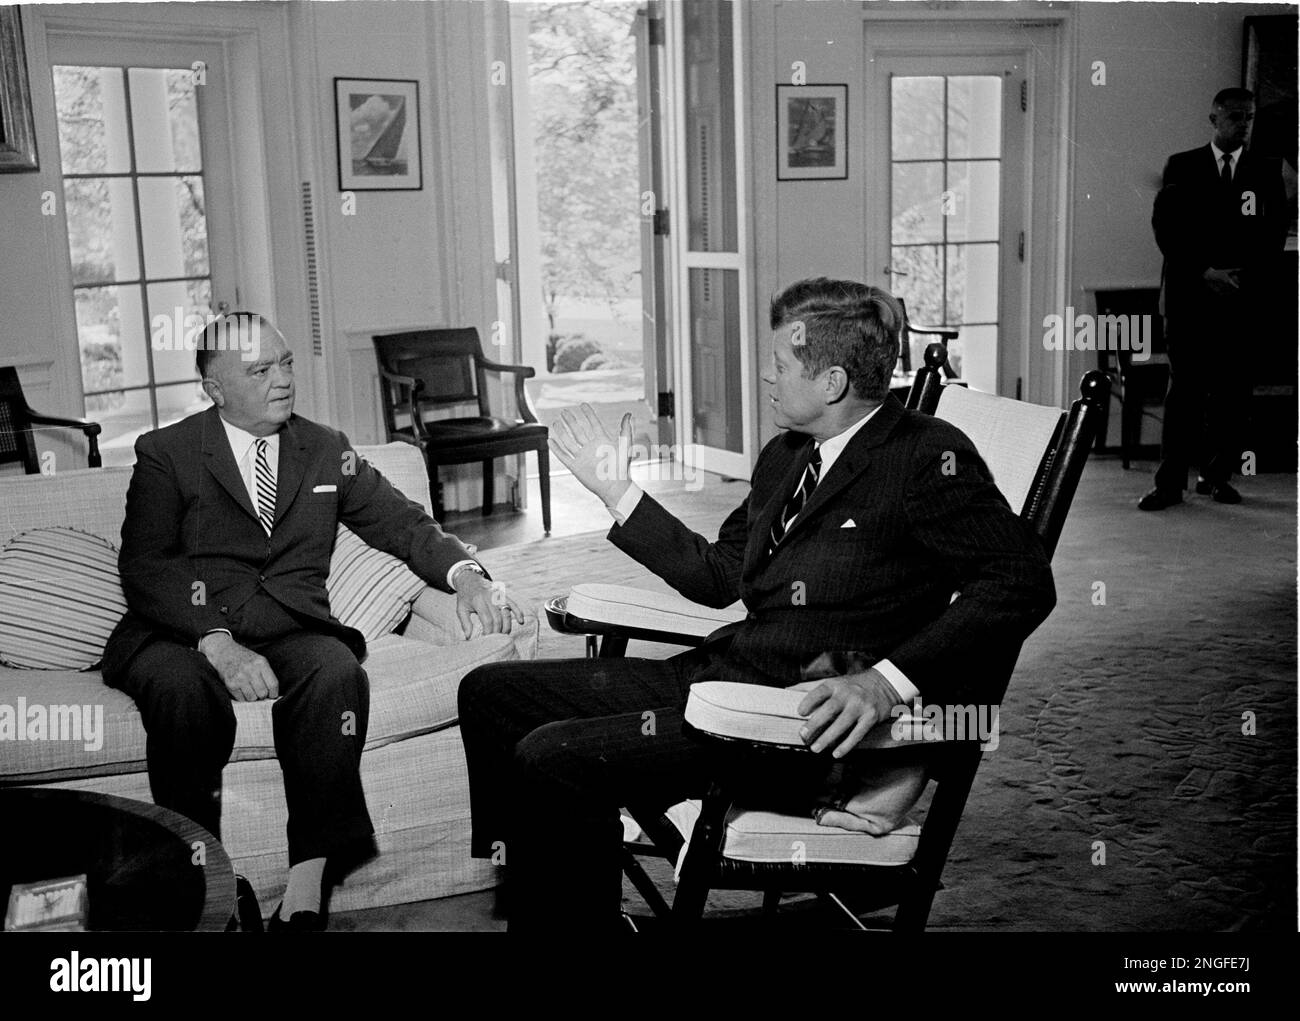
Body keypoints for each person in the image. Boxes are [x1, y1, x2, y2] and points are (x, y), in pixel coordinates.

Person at [457, 277, 1056, 931]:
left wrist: (885, 684)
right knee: (491, 694)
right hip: (722, 680)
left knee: (554, 757)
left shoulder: (926, 458)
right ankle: (540, 892)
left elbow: (1020, 581)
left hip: (788, 727)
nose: (765, 378)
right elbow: (719, 575)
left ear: (831, 382)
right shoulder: (788, 455)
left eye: (778, 365)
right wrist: (616, 491)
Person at [101, 312, 526, 931]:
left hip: (287, 625)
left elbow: (402, 523)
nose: (283, 380)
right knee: (179, 690)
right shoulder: (168, 453)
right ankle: (198, 878)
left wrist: (466, 576)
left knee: (334, 671)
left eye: (287, 363)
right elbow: (146, 564)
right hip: (180, 630)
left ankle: (306, 887)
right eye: (260, 370)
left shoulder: (325, 448)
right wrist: (216, 643)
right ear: (215, 390)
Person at [1139, 87, 1288, 511]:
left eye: (1250, 117)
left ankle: (1217, 477)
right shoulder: (1183, 166)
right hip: (1189, 300)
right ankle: (1168, 485)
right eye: (1236, 117)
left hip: (1239, 301)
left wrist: (1240, 278)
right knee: (1183, 393)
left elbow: (1273, 234)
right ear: (1214, 119)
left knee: (1232, 396)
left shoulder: (1265, 169)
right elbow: (1166, 229)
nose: (1244, 125)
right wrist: (1205, 272)